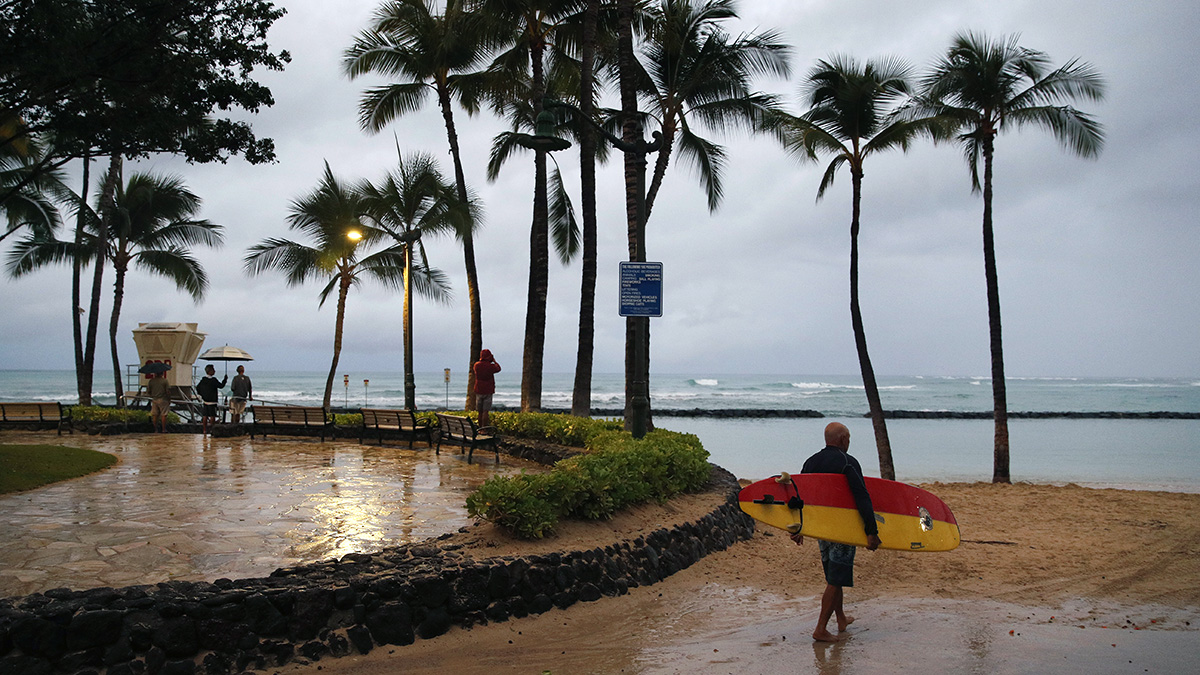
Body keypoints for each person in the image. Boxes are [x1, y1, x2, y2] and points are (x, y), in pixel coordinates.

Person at [793, 421, 881, 642]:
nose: (849, 442)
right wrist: (871, 531)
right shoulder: (847, 462)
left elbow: (799, 497)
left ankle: (840, 618)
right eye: (848, 438)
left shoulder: (811, 462)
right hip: (841, 530)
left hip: (821, 530)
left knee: (835, 576)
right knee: (835, 578)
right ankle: (820, 629)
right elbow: (862, 497)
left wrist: (798, 527)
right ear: (843, 440)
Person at [471, 349, 501, 428]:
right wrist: (494, 361)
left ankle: (480, 428)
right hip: (488, 390)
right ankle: (484, 428)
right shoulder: (490, 366)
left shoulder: (476, 365)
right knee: (485, 411)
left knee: (480, 412)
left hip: (478, 390)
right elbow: (498, 368)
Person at [196, 364, 227, 436]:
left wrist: (202, 395)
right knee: (212, 415)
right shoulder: (213, 380)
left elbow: (198, 388)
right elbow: (221, 386)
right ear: (210, 371)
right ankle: (212, 429)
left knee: (205, 415)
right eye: (213, 370)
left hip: (205, 400)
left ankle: (204, 430)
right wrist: (225, 379)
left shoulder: (203, 380)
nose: (214, 371)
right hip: (212, 401)